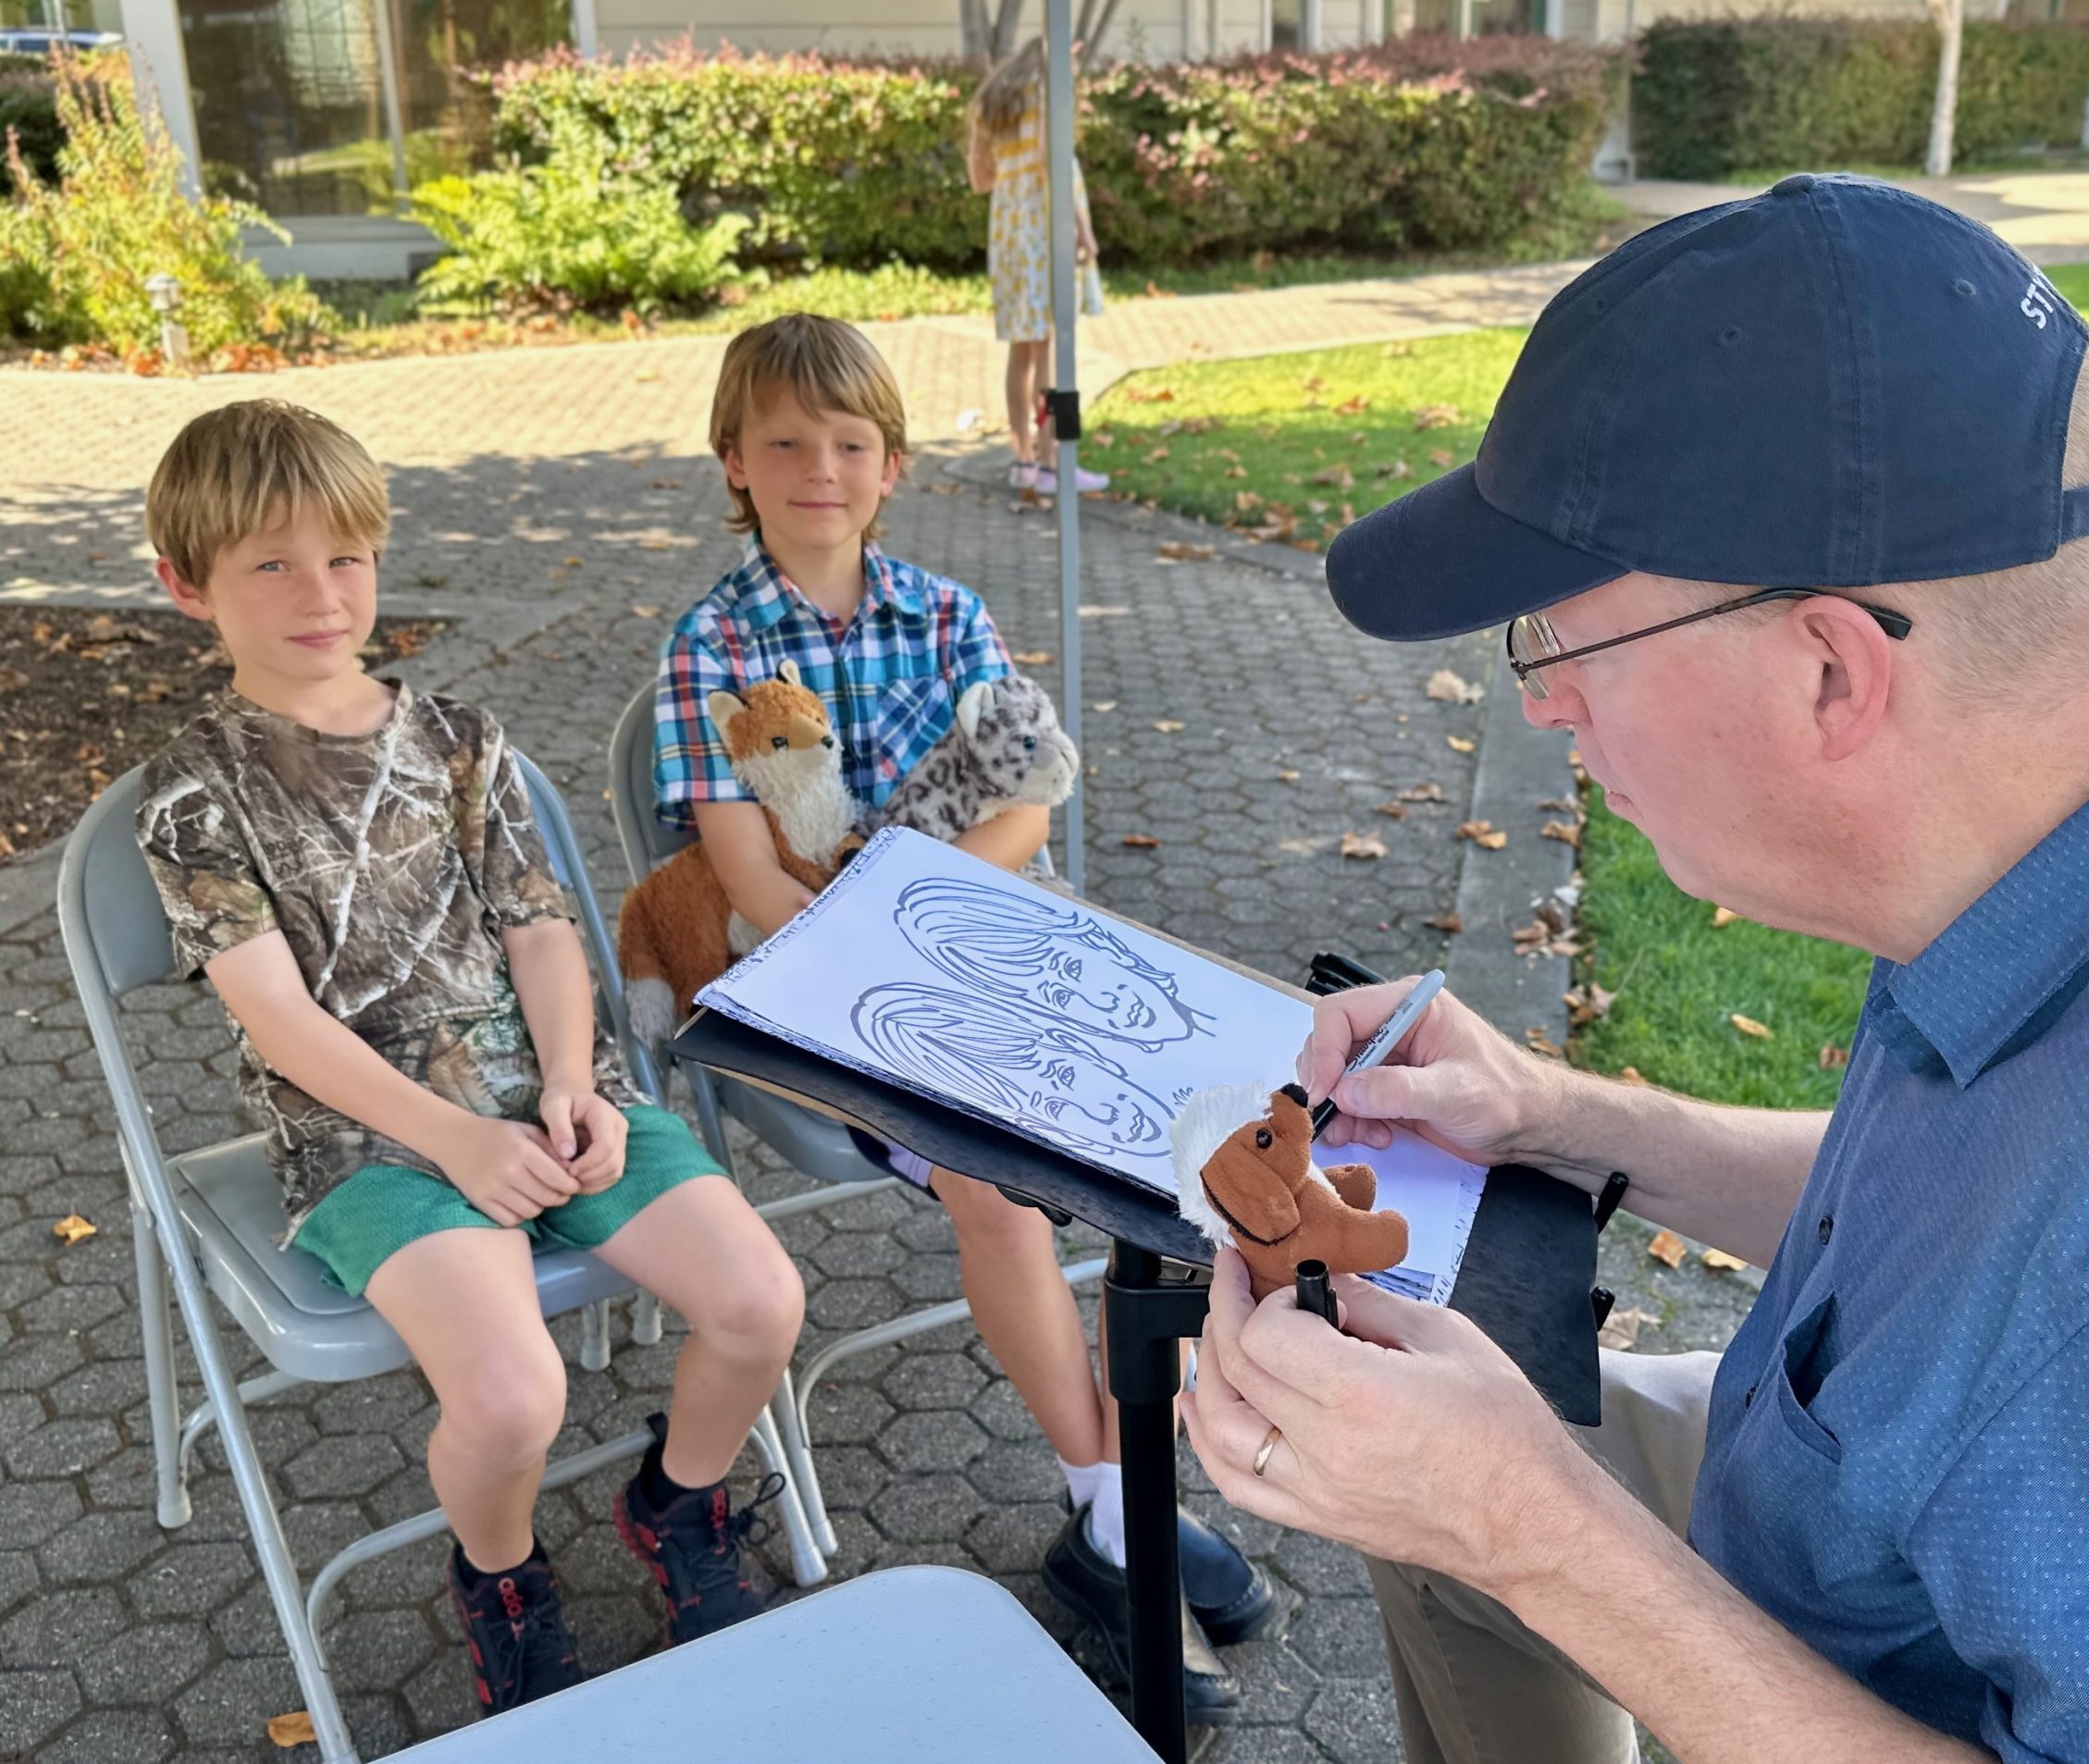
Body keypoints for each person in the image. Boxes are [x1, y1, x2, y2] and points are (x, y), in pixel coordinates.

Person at [1180, 175, 2089, 1763]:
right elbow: (1983, 1223)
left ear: (1826, 669)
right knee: (1439, 1534)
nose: (1542, 708)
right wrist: (1553, 1115)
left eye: (1558, 640)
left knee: (1475, 1525)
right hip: (1826, 1479)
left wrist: (1533, 1530)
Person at [136, 401, 808, 1717]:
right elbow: (280, 1020)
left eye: (346, 555)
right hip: (369, 1135)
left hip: (554, 1090)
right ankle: (501, 1571)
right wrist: (454, 1136)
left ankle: (675, 1501)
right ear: (185, 583)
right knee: (511, 1396)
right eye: (270, 562)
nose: (321, 593)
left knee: (758, 1301)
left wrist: (569, 1078)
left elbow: (544, 929)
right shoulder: (194, 790)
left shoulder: (457, 736)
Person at [652, 313, 1270, 1722]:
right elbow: (749, 876)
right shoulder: (713, 642)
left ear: (894, 466)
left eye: (849, 444)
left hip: (986, 943)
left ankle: (1132, 1490)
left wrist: (923, 884)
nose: (820, 466)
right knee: (998, 1185)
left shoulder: (949, 613)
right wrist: (877, 916)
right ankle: (1115, 1511)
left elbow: (1027, 803)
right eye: (787, 442)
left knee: (1176, 1135)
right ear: (733, 463)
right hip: (823, 991)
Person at [966, 36, 1109, 497]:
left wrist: (1013, 170)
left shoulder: (991, 101)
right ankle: (1054, 462)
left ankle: (1022, 459)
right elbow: (1055, 167)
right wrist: (1081, 230)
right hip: (1046, 224)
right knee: (1051, 347)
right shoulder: (1047, 94)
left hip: (1007, 226)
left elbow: (978, 178)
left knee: (1021, 348)